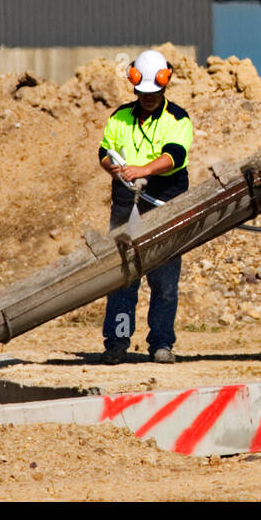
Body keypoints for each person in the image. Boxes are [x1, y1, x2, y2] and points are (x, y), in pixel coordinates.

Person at [97, 49, 193, 364]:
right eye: (143, 92)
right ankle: (117, 343)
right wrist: (111, 166)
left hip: (165, 200)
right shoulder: (119, 117)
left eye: (154, 92)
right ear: (134, 87)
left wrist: (143, 170)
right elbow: (104, 151)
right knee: (124, 276)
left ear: (164, 87)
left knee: (164, 280)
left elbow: (175, 157)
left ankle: (161, 343)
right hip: (127, 203)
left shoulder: (177, 118)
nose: (148, 97)